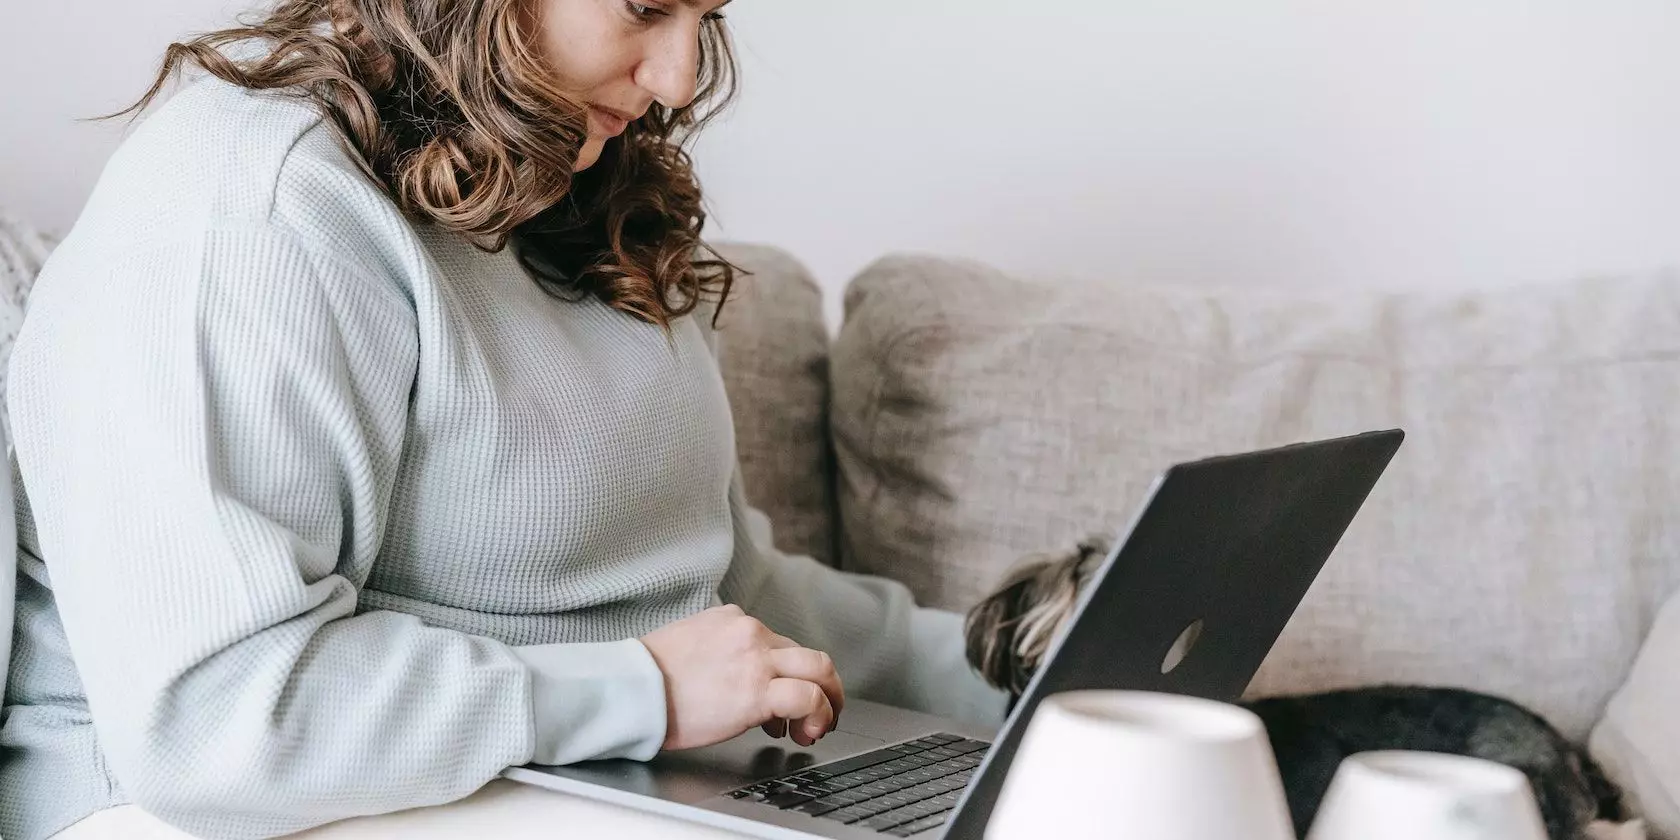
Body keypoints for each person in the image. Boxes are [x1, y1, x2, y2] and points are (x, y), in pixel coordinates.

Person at [0, 1, 1007, 838]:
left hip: (586, 775)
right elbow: (216, 720)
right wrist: (639, 693)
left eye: (710, 13)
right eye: (646, 7)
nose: (683, 78)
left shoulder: (582, 185)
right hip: (219, 807)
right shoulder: (253, 200)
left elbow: (717, 595)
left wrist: (1014, 675)